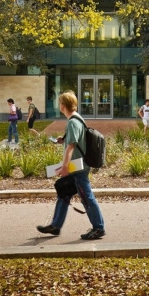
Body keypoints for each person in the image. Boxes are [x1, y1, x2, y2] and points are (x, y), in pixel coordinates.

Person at [36, 90, 105, 240]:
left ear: (62, 105)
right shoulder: (76, 118)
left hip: (77, 167)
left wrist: (65, 167)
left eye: (60, 103)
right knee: (64, 192)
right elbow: (73, 141)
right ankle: (55, 226)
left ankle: (98, 228)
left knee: (87, 197)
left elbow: (71, 147)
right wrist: (63, 139)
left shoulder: (73, 122)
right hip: (76, 164)